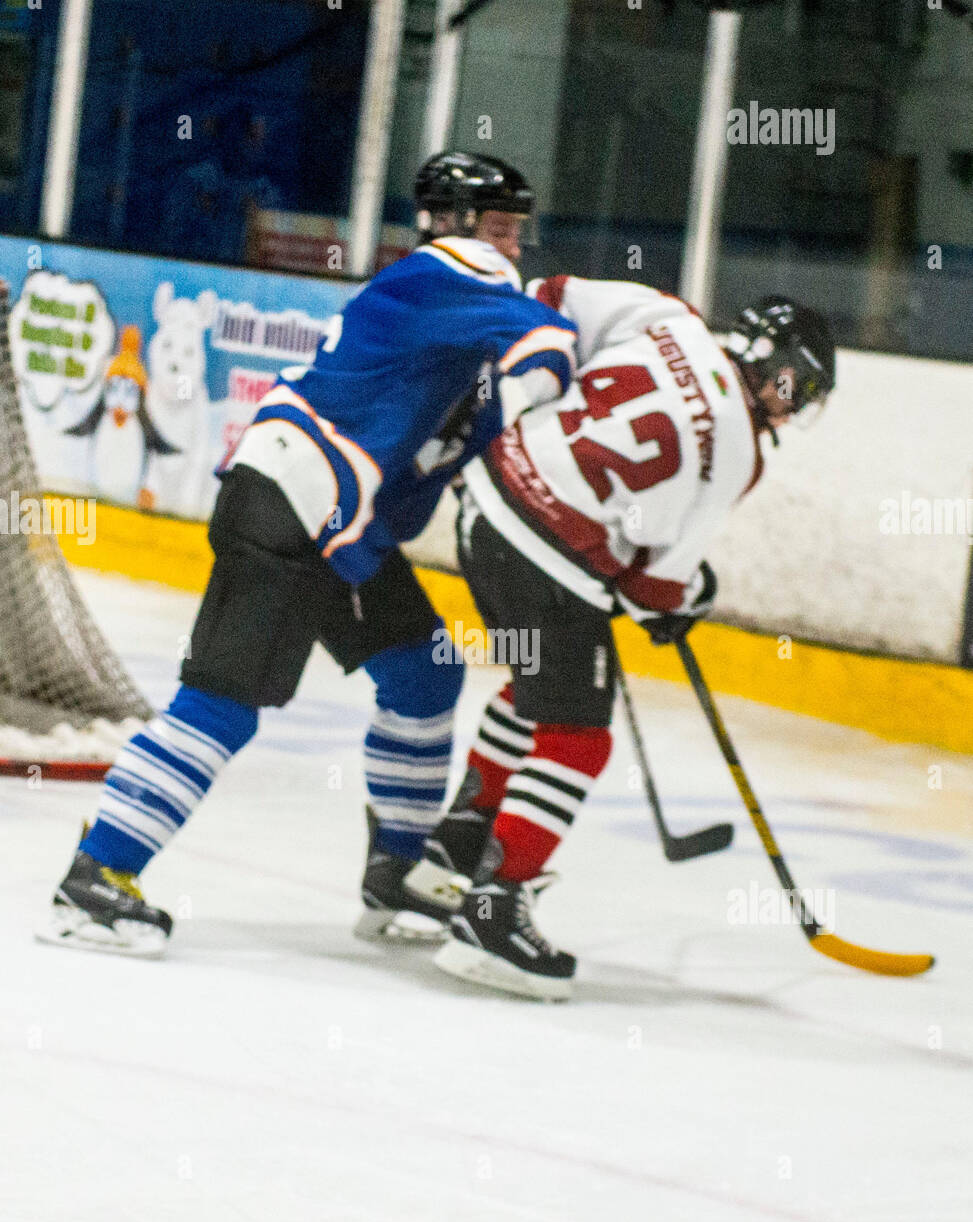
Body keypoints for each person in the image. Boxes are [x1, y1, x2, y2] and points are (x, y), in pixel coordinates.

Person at [41, 153, 577, 959]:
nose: (510, 239)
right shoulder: (449, 270)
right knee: (225, 700)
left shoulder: (461, 318)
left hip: (336, 524)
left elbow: (452, 452)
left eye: (516, 227)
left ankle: (396, 869)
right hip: (291, 502)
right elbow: (544, 340)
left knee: (426, 669)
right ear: (452, 221)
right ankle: (95, 878)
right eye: (496, 222)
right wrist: (561, 378)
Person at [403, 282, 837, 1000]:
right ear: (766, 362)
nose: (791, 404)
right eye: (796, 385)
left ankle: (453, 849)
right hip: (549, 556)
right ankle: (492, 911)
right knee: (577, 736)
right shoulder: (740, 454)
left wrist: (520, 402)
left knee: (534, 692)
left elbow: (549, 297)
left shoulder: (668, 317)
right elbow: (652, 586)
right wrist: (688, 598)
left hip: (485, 505)